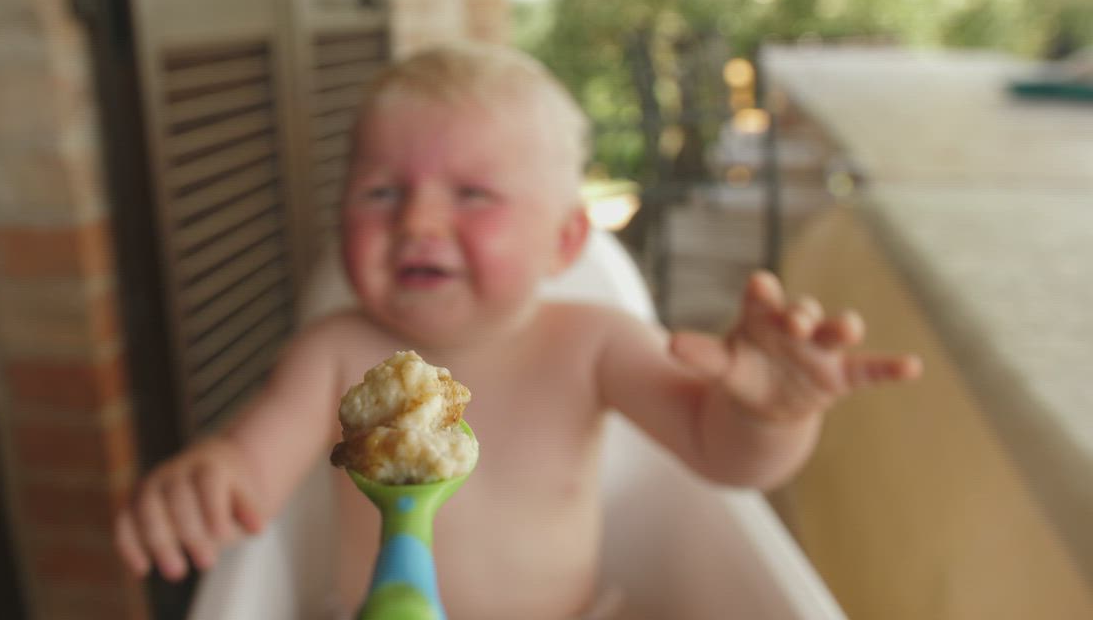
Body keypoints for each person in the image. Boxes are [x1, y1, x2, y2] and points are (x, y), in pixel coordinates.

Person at [114, 42, 922, 619]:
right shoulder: (333, 354)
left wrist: (769, 415)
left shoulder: (595, 345)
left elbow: (724, 456)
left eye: (473, 195)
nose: (419, 221)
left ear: (566, 242)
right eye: (381, 193)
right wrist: (207, 481)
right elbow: (251, 474)